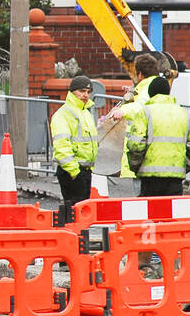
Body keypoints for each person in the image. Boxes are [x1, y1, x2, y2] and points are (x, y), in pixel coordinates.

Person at [125, 76, 190, 197]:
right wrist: (184, 166)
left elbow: (135, 145)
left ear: (150, 94)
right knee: (172, 209)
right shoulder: (185, 114)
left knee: (151, 208)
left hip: (149, 177)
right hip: (175, 177)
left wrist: (136, 166)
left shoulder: (145, 112)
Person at [106, 53, 161, 179]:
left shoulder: (147, 87)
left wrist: (122, 110)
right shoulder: (154, 85)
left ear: (140, 74)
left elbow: (140, 106)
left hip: (142, 150)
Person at [50, 75, 99, 205]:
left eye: (88, 92)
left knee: (82, 211)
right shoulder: (63, 114)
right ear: (72, 92)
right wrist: (75, 172)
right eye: (82, 91)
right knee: (74, 211)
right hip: (72, 171)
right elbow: (62, 146)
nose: (85, 95)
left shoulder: (85, 112)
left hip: (85, 170)